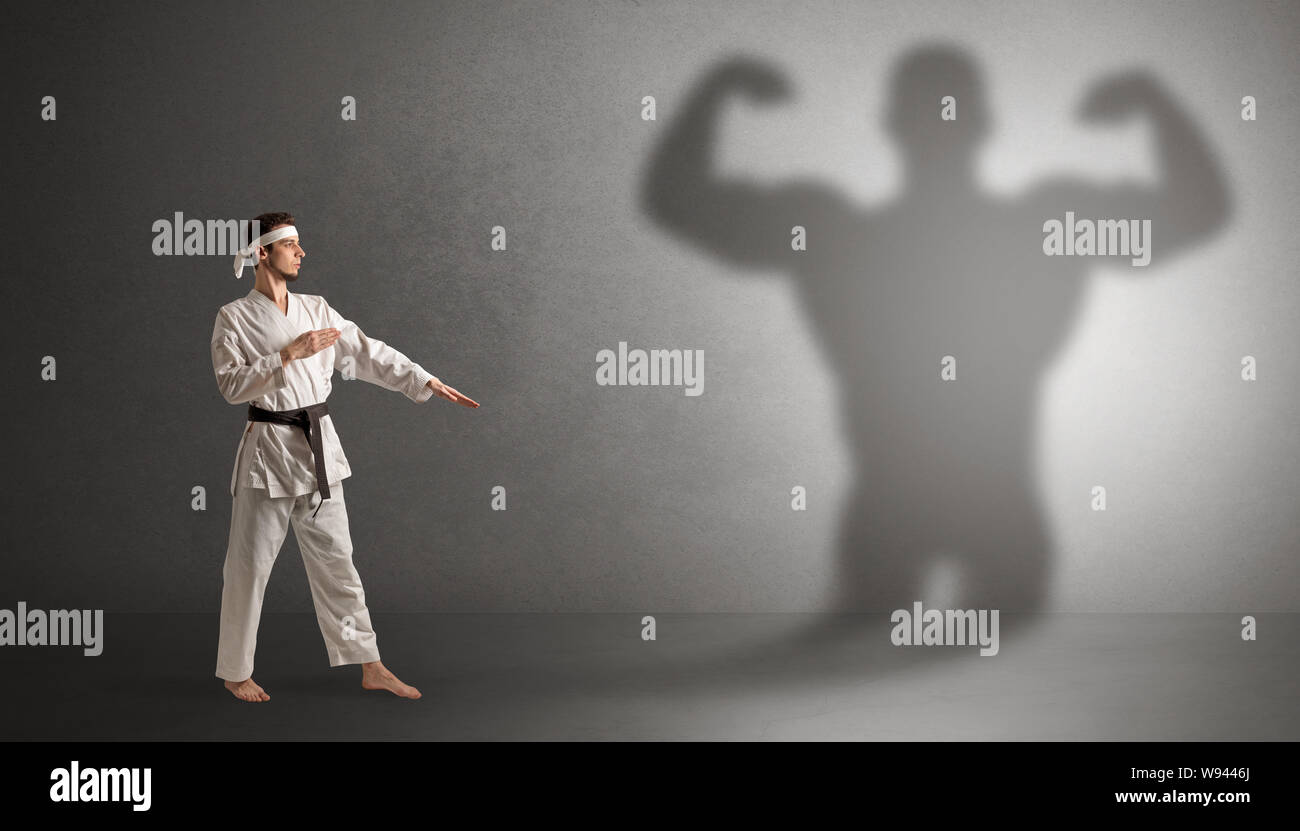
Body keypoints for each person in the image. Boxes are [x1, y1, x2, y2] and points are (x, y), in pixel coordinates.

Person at [211, 211, 479, 702]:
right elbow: (230, 386)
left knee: (339, 563)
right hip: (267, 453)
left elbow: (365, 351)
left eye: (300, 243)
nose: (302, 251)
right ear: (262, 252)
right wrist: (287, 354)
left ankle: (370, 665)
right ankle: (235, 670)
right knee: (249, 567)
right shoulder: (235, 317)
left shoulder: (317, 308)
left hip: (318, 452)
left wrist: (424, 379)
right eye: (291, 244)